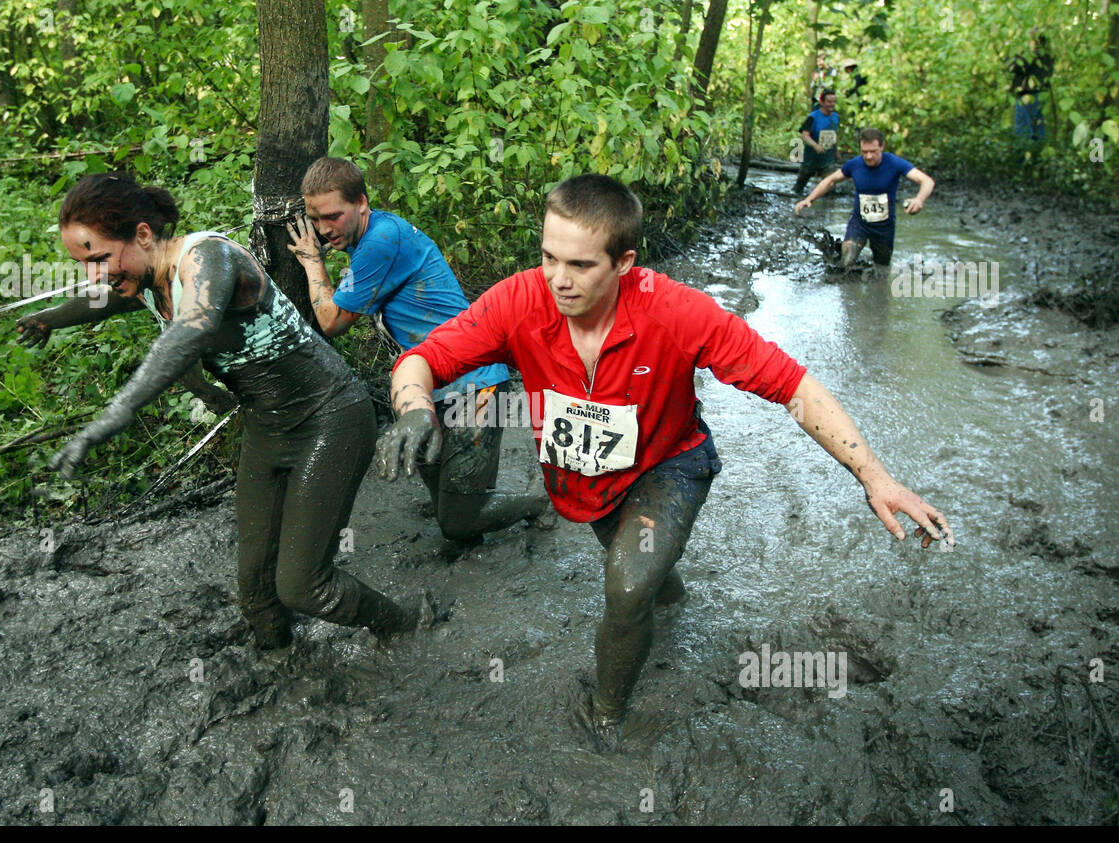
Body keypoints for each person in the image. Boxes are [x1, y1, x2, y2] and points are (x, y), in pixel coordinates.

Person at [376, 174, 954, 748]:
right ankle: (670, 597)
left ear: (624, 262)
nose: (558, 280)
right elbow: (424, 358)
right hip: (583, 479)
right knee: (645, 575)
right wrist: (413, 409)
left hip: (669, 465)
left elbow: (793, 385)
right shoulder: (520, 299)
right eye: (548, 257)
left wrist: (875, 477)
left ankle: (606, 716)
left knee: (626, 586)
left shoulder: (678, 313)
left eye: (580, 265)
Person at [16, 173, 436, 649]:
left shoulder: (208, 257)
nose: (95, 274)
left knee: (303, 587)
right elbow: (105, 299)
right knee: (256, 594)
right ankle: (280, 670)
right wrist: (47, 319)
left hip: (329, 419)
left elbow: (192, 329)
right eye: (83, 265)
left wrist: (118, 411)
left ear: (143, 234)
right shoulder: (145, 279)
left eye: (99, 259)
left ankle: (407, 626)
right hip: (267, 427)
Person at [285, 156, 549, 543]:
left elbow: (331, 320)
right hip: (428, 382)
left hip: (475, 386)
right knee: (443, 496)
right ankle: (464, 512)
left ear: (361, 202)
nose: (324, 230)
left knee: (457, 522)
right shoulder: (372, 235)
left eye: (333, 216)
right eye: (316, 219)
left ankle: (535, 505)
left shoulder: (380, 240)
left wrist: (311, 261)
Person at [794, 127, 935, 268]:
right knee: (846, 262)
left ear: (882, 146)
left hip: (884, 227)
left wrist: (919, 199)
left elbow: (927, 181)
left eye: (873, 152)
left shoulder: (894, 163)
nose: (868, 156)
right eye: (864, 152)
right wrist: (809, 199)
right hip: (859, 223)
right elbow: (830, 181)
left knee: (882, 268)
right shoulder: (854, 164)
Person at [1008, 32, 1053, 144]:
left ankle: (1026, 157)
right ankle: (1036, 155)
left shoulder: (1032, 56)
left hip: (1027, 95)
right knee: (1037, 129)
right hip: (1040, 94)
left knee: (1023, 131)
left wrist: (1012, 53)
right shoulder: (1047, 54)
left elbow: (1013, 67)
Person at [794, 89, 840, 196]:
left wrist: (836, 151)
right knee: (799, 187)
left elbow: (834, 135)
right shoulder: (813, 117)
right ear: (822, 102)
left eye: (834, 102)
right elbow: (805, 135)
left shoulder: (836, 117)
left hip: (828, 158)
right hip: (811, 157)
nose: (832, 104)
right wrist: (815, 145)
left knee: (830, 188)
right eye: (829, 102)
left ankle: (825, 209)